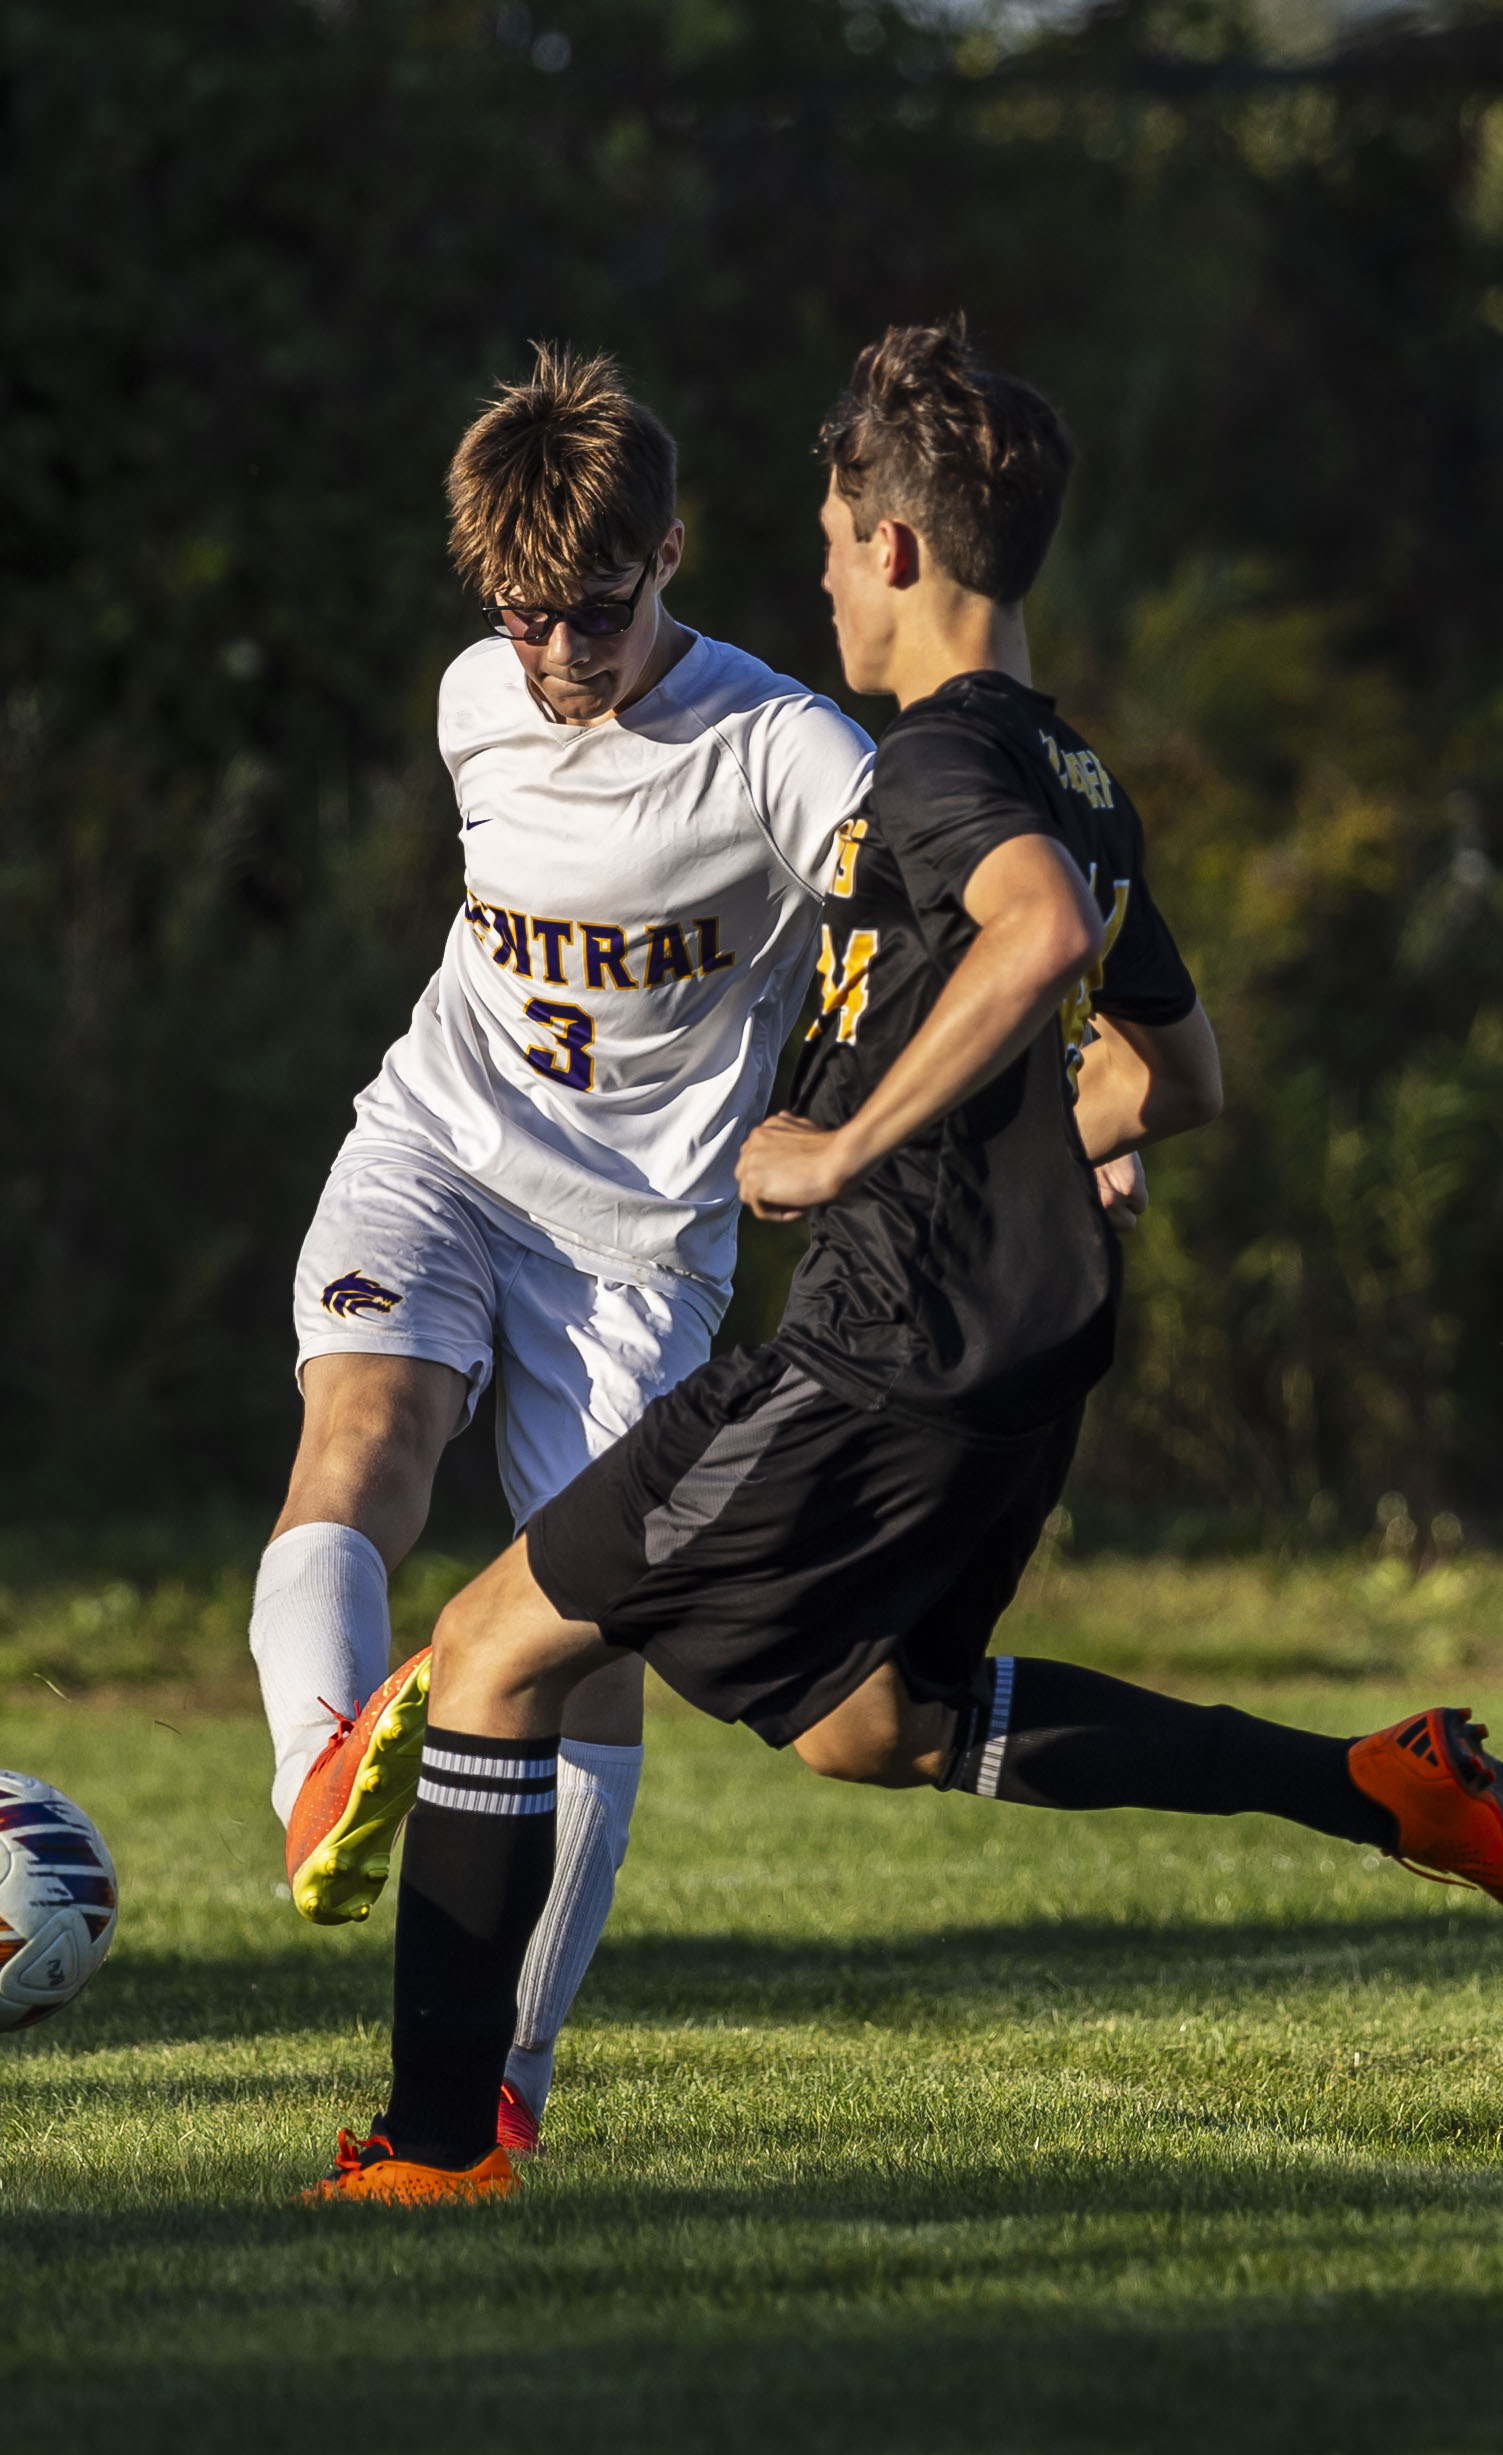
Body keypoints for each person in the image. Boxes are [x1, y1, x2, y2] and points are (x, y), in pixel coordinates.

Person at [299, 321, 1503, 2209]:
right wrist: (1075, 1142)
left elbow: (1029, 936)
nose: (811, 562)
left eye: (824, 527)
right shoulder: (1074, 766)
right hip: (1023, 1356)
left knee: (483, 1653)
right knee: (878, 1723)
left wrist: (844, 1144)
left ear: (888, 548)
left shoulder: (933, 757)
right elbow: (1182, 1077)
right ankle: (1370, 1782)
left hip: (883, 1346)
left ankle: (438, 2147)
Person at [250, 345, 875, 2155]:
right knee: (362, 1436)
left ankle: (499, 2088)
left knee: (583, 1633)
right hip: (437, 1146)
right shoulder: (474, 701)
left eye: (595, 616)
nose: (558, 660)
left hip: (635, 1254)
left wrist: (1045, 1083)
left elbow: (927, 896)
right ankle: (321, 1786)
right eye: (524, 620)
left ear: (672, 553)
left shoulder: (776, 745)